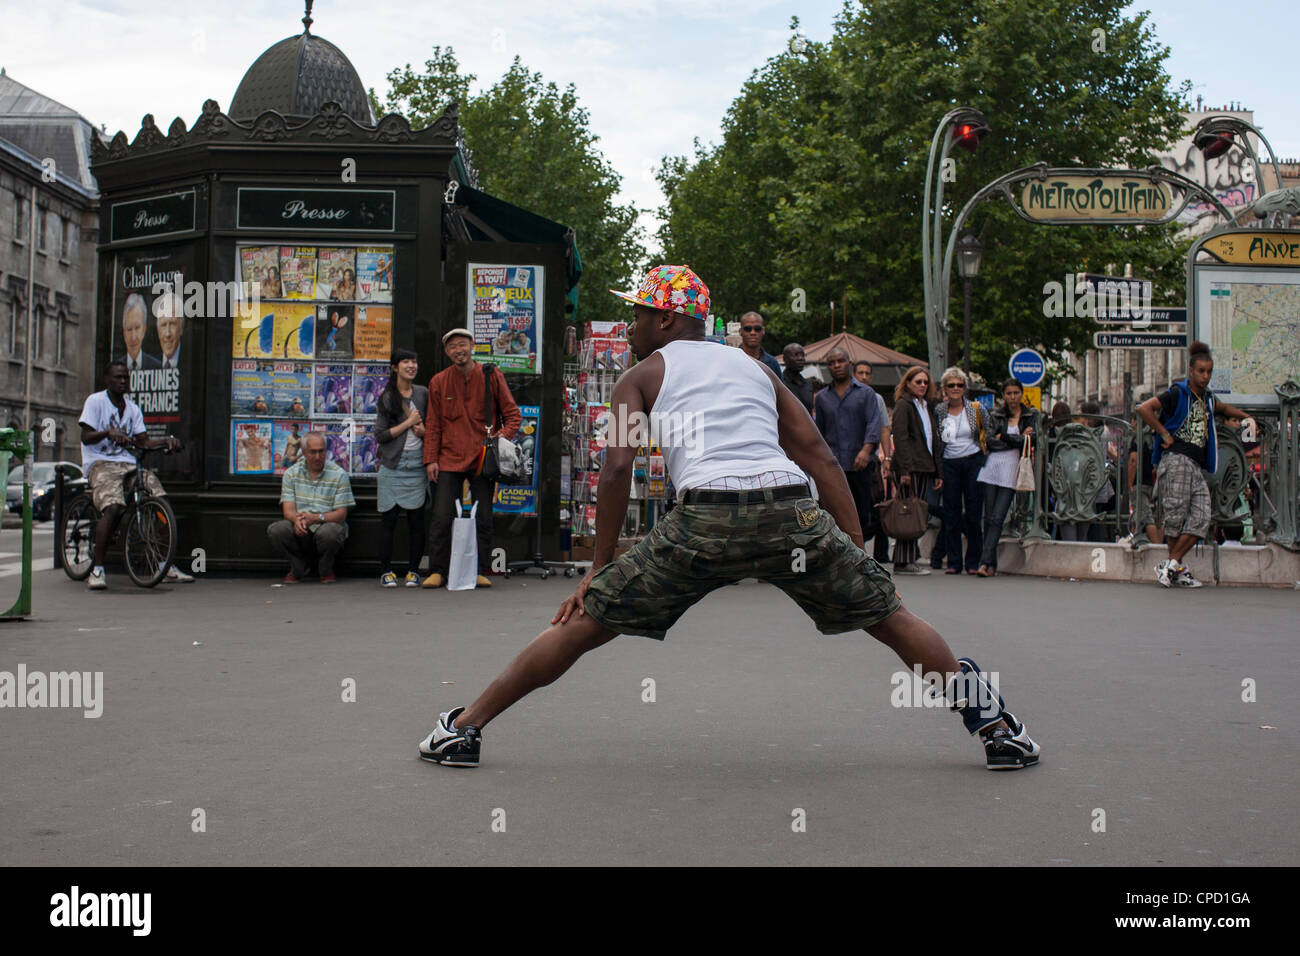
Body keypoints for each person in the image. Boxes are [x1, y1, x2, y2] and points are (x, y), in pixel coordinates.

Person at [417, 265, 1039, 772]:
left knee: (585, 624)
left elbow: (612, 473)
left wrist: (596, 571)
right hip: (790, 513)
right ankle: (995, 727)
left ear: (664, 318)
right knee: (892, 619)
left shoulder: (640, 376)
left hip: (704, 522)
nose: (631, 325)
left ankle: (463, 730)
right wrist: (852, 549)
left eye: (636, 313)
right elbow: (819, 457)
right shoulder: (757, 369)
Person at [1137, 341, 1249, 588]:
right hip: (1177, 460)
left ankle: (1171, 565)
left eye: (1209, 371)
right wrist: (1164, 434)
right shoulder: (1177, 393)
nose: (1205, 376)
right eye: (1201, 371)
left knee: (1202, 517)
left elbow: (1224, 407)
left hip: (1195, 465)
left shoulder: (1207, 399)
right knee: (1176, 520)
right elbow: (1144, 408)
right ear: (1191, 370)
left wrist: (1246, 416)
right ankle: (1175, 568)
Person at [422, 328, 521, 589]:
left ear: (472, 346)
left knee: (484, 517)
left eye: (462, 344)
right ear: (446, 352)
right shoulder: (438, 382)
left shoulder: (490, 374)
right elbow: (432, 424)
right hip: (448, 458)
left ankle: (479, 569)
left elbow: (513, 416)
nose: (458, 350)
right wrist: (430, 459)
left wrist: (497, 440)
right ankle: (437, 571)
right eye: (452, 346)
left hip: (482, 458)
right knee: (441, 516)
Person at [78, 361, 191, 590]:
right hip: (101, 464)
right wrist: (108, 433)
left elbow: (144, 442)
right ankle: (98, 569)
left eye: (125, 378)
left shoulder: (132, 408)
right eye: (118, 377)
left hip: (127, 464)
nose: (122, 382)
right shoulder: (96, 401)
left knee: (160, 498)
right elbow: (85, 436)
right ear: (107, 379)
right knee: (113, 507)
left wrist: (166, 441)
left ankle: (164, 564)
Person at [814, 347, 882, 563]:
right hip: (834, 467)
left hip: (860, 464)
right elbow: (820, 433)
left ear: (849, 362)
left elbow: (874, 424)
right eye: (832, 362)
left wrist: (866, 450)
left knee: (862, 513)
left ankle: (859, 557)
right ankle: (838, 558)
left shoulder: (866, 393)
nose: (836, 365)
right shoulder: (823, 397)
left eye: (840, 361)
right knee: (833, 512)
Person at [268, 431, 355, 584]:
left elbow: (341, 514)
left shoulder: (339, 474)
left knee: (331, 532)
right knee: (277, 530)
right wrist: (297, 520)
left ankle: (325, 569)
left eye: (321, 451)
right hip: (301, 526)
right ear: (303, 453)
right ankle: (297, 567)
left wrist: (315, 518)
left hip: (325, 525)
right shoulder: (291, 474)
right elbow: (288, 510)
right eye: (312, 452)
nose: (317, 457)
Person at [375, 348, 429, 588]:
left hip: (417, 464)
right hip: (392, 465)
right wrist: (408, 423)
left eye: (414, 361)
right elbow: (381, 435)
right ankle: (386, 571)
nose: (411, 365)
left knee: (417, 522)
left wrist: (423, 432)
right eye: (406, 361)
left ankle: (413, 571)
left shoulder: (424, 394)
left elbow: (434, 428)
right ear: (395, 367)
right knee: (389, 520)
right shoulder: (387, 397)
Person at [976, 380, 1038, 576]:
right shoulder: (996, 414)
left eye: (1016, 393)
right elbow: (990, 441)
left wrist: (1006, 437)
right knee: (988, 517)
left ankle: (984, 563)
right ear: (1004, 395)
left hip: (1012, 469)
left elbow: (1033, 439)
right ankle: (990, 564)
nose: (1012, 397)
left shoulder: (1030, 415)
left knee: (997, 517)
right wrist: (1017, 439)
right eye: (1009, 393)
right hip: (992, 467)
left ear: (1021, 393)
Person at [889, 365, 940, 575]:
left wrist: (938, 472)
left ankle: (907, 558)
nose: (922, 385)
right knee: (908, 512)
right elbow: (900, 439)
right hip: (910, 468)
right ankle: (904, 560)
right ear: (908, 383)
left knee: (915, 512)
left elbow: (933, 440)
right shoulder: (904, 405)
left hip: (924, 466)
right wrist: (905, 471)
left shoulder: (926, 406)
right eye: (918, 381)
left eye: (925, 382)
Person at [936, 367, 987, 574]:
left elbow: (987, 433)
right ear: (944, 388)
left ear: (965, 388)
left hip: (973, 460)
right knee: (951, 513)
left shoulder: (976, 408)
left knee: (974, 513)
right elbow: (938, 439)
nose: (955, 389)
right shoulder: (940, 410)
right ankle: (954, 561)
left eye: (959, 385)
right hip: (950, 463)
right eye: (951, 385)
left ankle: (973, 561)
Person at [853, 360, 893, 564]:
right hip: (845, 460)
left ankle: (881, 553)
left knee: (877, 505)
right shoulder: (844, 396)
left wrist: (887, 457)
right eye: (860, 372)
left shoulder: (876, 399)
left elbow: (884, 428)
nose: (864, 376)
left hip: (871, 461)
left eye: (867, 373)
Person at [116, 294, 160, 371]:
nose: (133, 337)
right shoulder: (116, 369)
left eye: (137, 328)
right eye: (129, 329)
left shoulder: (156, 367)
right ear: (124, 333)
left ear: (144, 329)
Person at [737, 311, 781, 376]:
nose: (752, 333)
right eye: (747, 329)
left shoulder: (772, 363)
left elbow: (779, 386)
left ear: (763, 331)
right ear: (740, 331)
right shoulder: (732, 360)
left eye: (757, 329)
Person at [780, 343, 815, 414]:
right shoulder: (780, 384)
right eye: (796, 355)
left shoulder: (808, 385)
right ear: (784, 359)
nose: (800, 358)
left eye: (803, 355)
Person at [155, 292, 183, 369]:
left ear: (181, 328)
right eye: (163, 325)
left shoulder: (191, 362)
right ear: (158, 331)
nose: (168, 334)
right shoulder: (151, 365)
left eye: (172, 324)